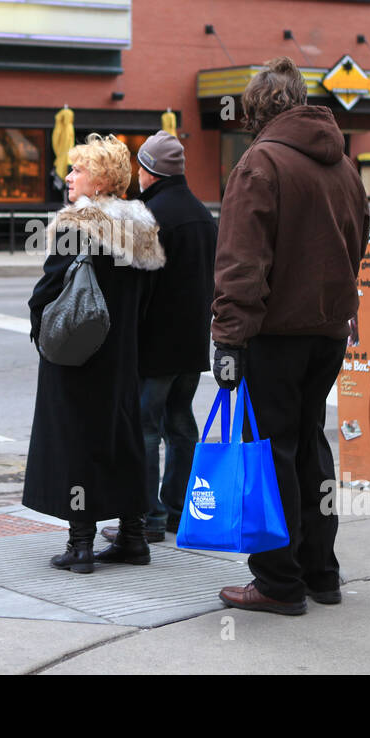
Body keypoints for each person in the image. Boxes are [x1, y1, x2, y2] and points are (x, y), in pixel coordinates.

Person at [212, 56, 370, 616]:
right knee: (309, 445)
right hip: (327, 331)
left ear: (256, 110)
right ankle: (320, 573)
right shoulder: (344, 165)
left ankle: (279, 582)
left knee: (270, 454)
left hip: (274, 334)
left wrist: (228, 338)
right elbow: (357, 246)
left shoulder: (260, 164)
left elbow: (241, 262)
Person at [24, 133, 166, 573]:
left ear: (100, 179)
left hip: (76, 354)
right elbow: (147, 301)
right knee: (123, 439)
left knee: (76, 441)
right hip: (121, 355)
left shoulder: (75, 225)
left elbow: (48, 291)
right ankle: (132, 536)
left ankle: (81, 544)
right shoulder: (141, 227)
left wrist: (37, 327)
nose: (68, 177)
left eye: (78, 169)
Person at [98, 130, 216, 549]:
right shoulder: (202, 214)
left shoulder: (148, 214)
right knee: (180, 423)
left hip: (154, 345)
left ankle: (148, 516)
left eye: (140, 168)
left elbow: (138, 287)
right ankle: (177, 507)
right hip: (192, 343)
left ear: (148, 172)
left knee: (146, 428)